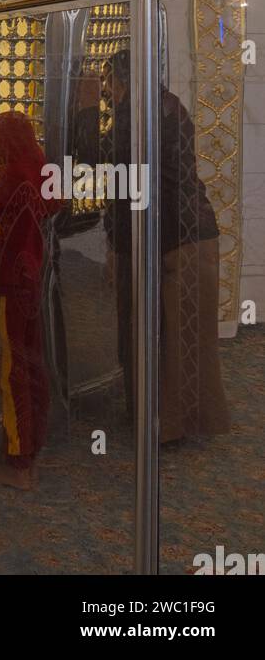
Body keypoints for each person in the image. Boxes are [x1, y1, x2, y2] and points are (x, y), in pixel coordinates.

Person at [73, 50, 229, 442]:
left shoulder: (141, 115)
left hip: (181, 239)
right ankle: (172, 423)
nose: (106, 89)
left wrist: (87, 105)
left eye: (108, 81)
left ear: (123, 80)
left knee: (178, 339)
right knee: (177, 339)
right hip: (180, 237)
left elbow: (97, 158)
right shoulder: (158, 106)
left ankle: (172, 428)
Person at [0, 110, 63, 488]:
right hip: (40, 275)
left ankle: (19, 462)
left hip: (14, 281)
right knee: (35, 364)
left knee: (13, 369)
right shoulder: (43, 166)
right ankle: (34, 445)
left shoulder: (8, 175)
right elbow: (56, 205)